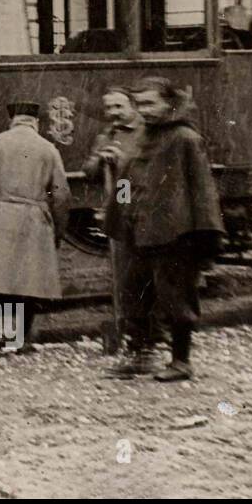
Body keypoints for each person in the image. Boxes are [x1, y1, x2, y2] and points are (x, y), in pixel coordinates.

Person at [104, 78, 224, 382]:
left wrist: (205, 236)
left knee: (176, 298)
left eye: (150, 103)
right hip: (139, 231)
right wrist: (118, 214)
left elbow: (203, 190)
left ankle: (181, 361)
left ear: (169, 103)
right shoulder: (145, 134)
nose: (144, 110)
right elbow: (129, 182)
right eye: (140, 104)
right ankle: (142, 355)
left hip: (175, 235)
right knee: (136, 293)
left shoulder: (184, 138)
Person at [0, 100, 70, 350]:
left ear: (11, 119)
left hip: (1, 215)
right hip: (34, 217)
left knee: (0, 280)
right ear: (36, 122)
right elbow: (61, 194)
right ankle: (20, 339)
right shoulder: (48, 149)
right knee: (28, 282)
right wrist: (59, 228)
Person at [83, 86, 146, 357]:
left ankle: (151, 333)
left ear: (132, 106)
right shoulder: (106, 135)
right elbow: (88, 172)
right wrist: (100, 160)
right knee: (121, 274)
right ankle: (127, 328)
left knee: (144, 274)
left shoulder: (146, 134)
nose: (113, 113)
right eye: (109, 108)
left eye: (119, 107)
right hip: (117, 211)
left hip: (141, 210)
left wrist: (124, 162)